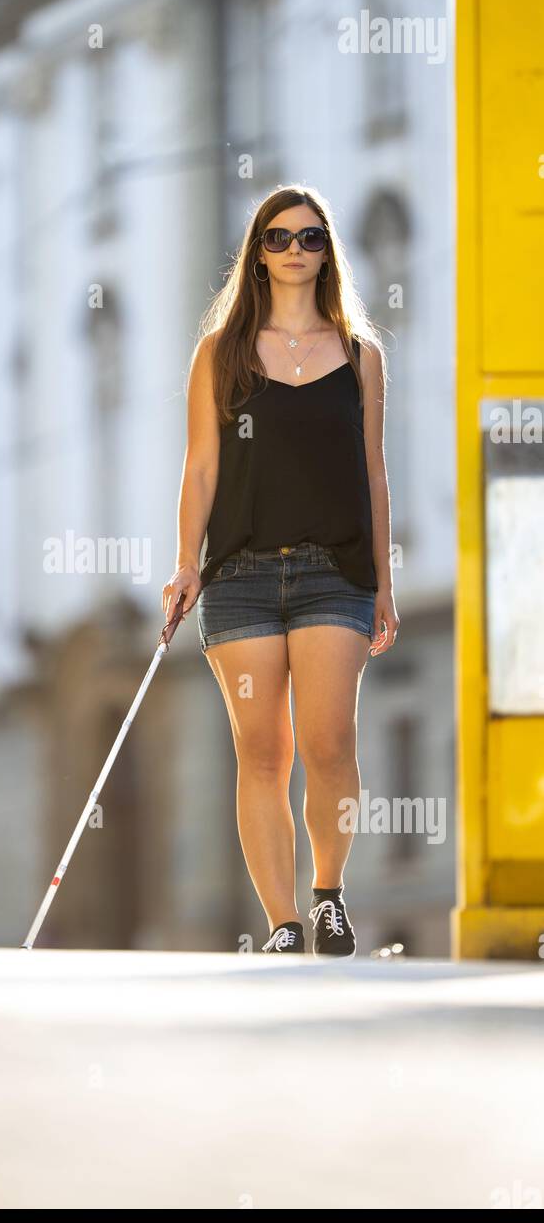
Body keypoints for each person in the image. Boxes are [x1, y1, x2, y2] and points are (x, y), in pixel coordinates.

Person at [162, 184, 399, 958]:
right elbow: (200, 469)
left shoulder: (359, 355)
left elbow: (373, 472)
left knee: (330, 744)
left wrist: (384, 588)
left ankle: (326, 895)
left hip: (336, 572)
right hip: (239, 580)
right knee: (262, 752)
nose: (295, 250)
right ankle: (281, 922)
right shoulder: (221, 353)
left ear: (327, 252)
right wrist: (182, 566)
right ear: (255, 254)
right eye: (278, 238)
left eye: (310, 238)